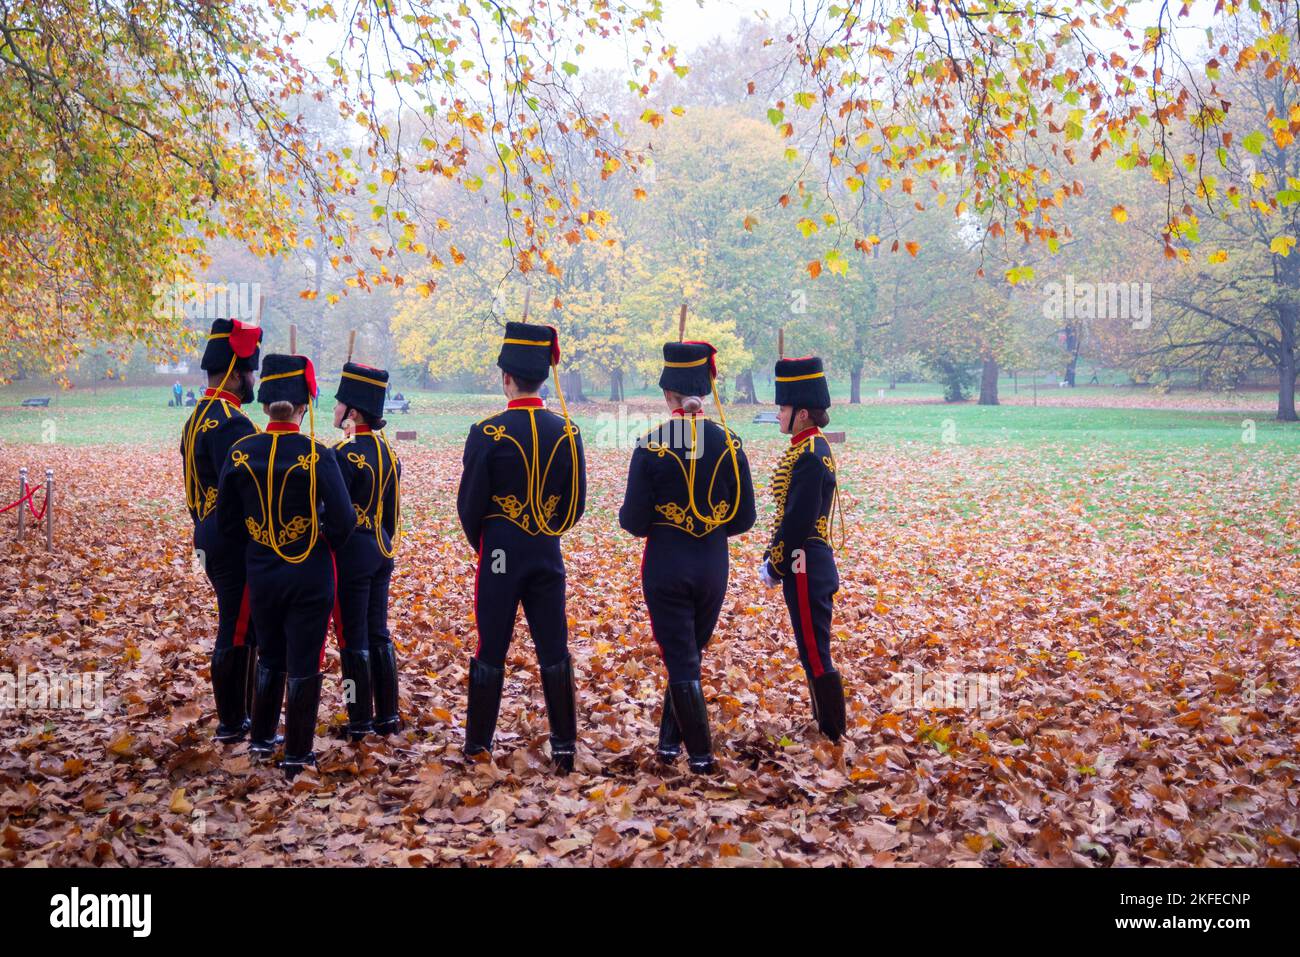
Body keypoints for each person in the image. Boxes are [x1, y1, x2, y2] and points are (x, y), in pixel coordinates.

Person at [456, 322, 586, 773]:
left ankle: (477, 745)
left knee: (491, 645)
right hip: (547, 549)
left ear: (507, 379)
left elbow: (469, 506)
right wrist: (546, 530)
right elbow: (576, 504)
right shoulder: (566, 431)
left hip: (500, 554)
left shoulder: (487, 432)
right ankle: (565, 747)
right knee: (553, 646)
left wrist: (490, 545)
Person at [618, 341, 755, 773]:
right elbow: (744, 517)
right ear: (708, 387)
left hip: (666, 565)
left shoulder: (651, 444)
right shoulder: (730, 442)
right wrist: (710, 527)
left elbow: (634, 521)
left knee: (681, 658)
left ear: (667, 394)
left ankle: (700, 757)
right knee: (688, 655)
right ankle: (667, 747)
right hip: (713, 564)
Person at [216, 353, 355, 777]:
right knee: (304, 659)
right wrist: (317, 539)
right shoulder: (318, 455)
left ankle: (260, 741)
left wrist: (259, 544)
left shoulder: (242, 453)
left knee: (270, 654)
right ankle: (296, 752)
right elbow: (346, 521)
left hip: (262, 572)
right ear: (304, 405)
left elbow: (225, 522)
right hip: (309, 571)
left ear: (264, 404)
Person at [181, 318, 262, 743]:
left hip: (206, 535)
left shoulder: (197, 417)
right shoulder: (232, 423)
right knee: (236, 627)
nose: (253, 379)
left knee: (239, 626)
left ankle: (241, 713)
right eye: (249, 371)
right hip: (232, 539)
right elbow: (246, 491)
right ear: (233, 371)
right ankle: (233, 720)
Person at [759, 355, 847, 742]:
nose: (779, 414)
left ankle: (833, 733)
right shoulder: (805, 449)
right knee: (809, 649)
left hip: (805, 562)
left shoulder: (811, 455)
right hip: (802, 561)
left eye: (784, 408)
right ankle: (824, 724)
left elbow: (798, 521)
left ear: (803, 414)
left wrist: (775, 565)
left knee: (815, 651)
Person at [332, 361, 403, 739]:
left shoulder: (341, 455)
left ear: (353, 413)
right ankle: (387, 715)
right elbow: (391, 514)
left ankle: (358, 717)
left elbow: (334, 517)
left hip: (351, 555)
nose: (334, 410)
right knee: (378, 633)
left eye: (339, 404)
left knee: (351, 639)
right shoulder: (389, 453)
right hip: (381, 548)